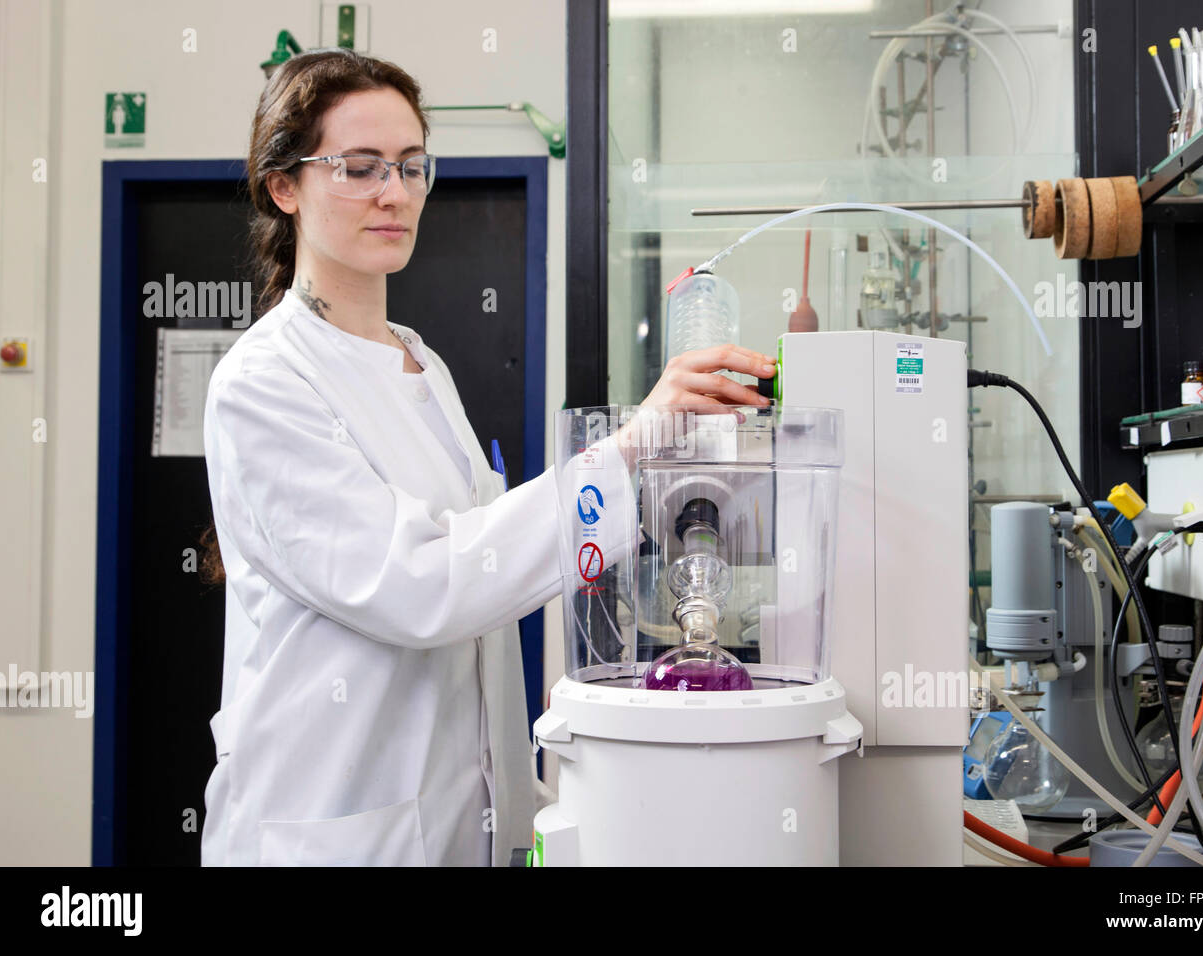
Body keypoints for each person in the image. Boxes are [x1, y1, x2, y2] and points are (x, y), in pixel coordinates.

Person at [199, 48, 777, 866]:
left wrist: (534, 811)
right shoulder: (262, 384)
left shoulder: (421, 365)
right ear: (284, 186)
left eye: (409, 166)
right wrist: (631, 446)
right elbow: (425, 586)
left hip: (464, 832)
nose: (394, 192)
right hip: (335, 833)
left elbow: (483, 612)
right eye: (358, 168)